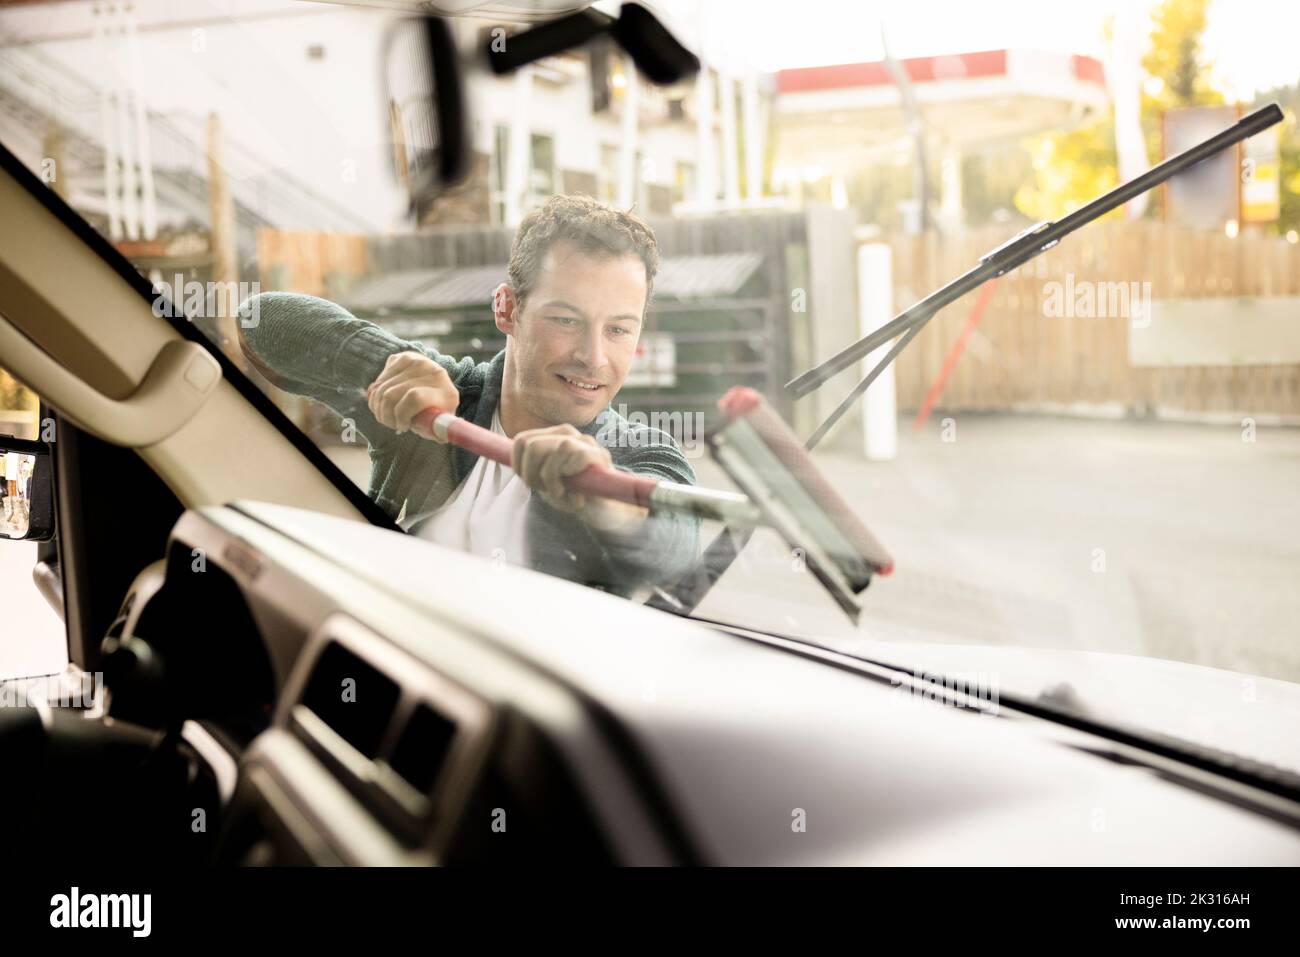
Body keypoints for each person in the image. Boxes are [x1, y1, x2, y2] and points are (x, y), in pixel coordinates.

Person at [241, 195, 700, 596]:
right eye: (565, 319)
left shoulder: (641, 452)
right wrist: (388, 365)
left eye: (618, 329)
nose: (593, 356)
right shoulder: (442, 400)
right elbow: (260, 319)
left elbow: (674, 545)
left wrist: (605, 497)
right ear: (507, 309)